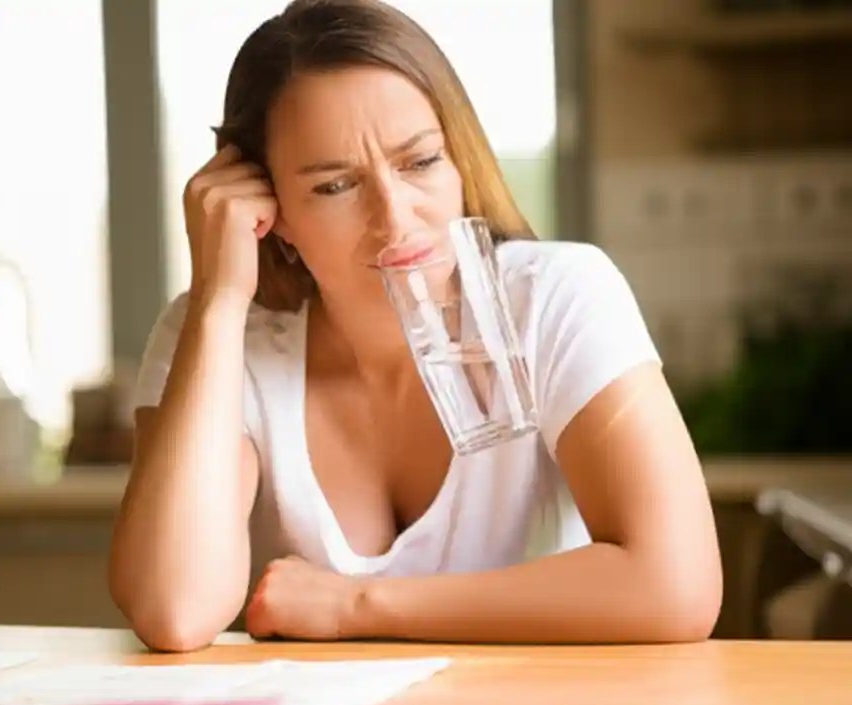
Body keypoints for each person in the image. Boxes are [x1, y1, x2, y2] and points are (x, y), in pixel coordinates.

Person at [108, 0, 721, 652]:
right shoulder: (217, 336)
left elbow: (675, 584)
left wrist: (358, 605)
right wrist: (218, 299)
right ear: (271, 211)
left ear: (459, 159)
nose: (394, 218)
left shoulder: (555, 298)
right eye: (335, 186)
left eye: (420, 161)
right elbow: (173, 610)